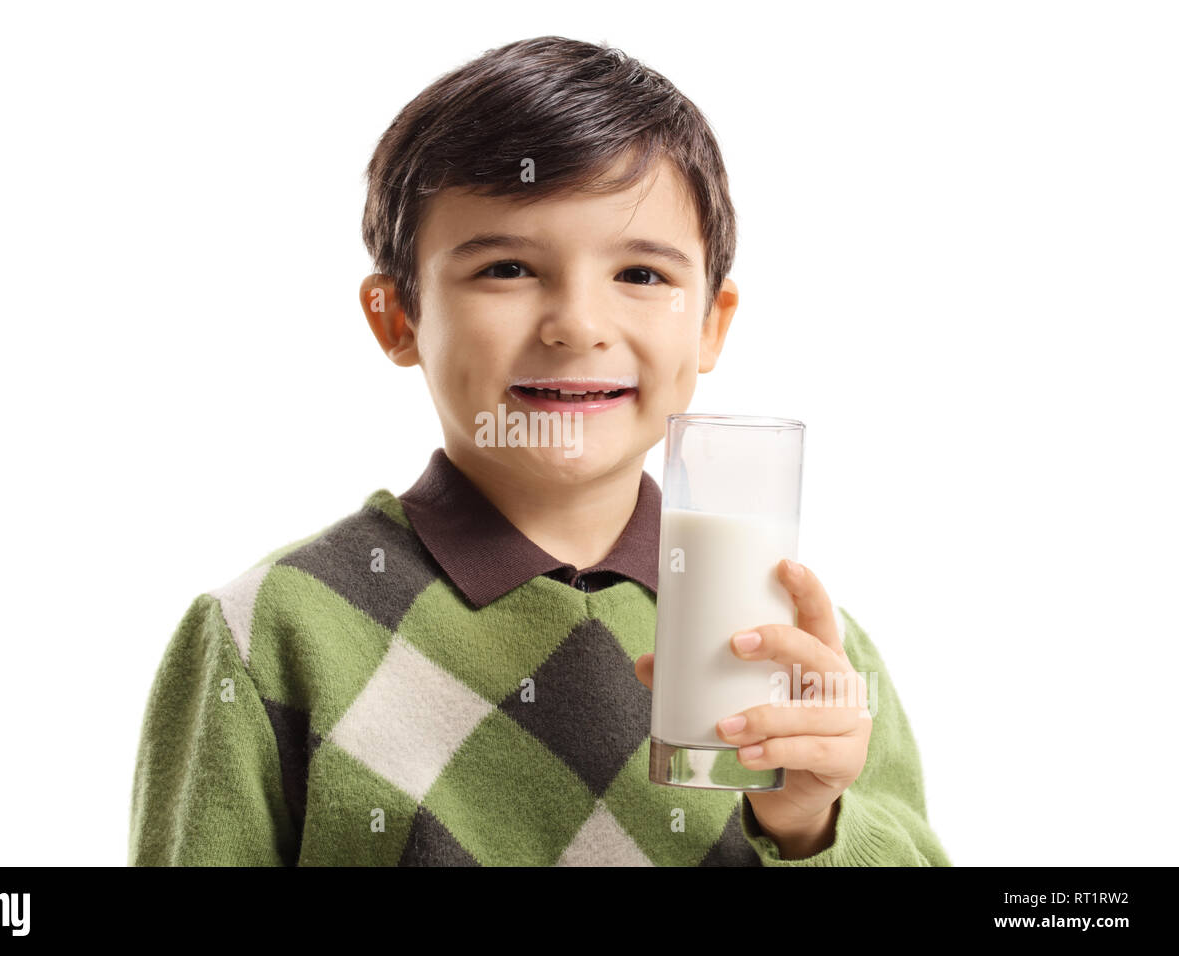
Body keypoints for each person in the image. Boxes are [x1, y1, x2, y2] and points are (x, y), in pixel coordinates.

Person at [128, 35, 950, 867]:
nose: (578, 326)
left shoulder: (797, 649)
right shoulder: (269, 630)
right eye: (508, 267)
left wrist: (809, 826)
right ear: (397, 318)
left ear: (712, 324)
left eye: (641, 275)